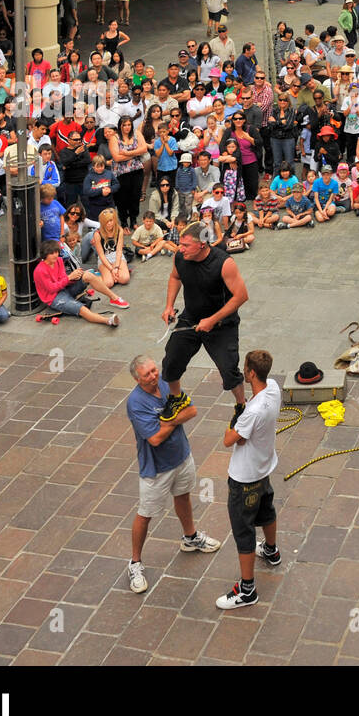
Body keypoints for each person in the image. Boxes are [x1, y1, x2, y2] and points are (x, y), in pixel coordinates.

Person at [124, 354, 222, 595]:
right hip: (156, 469)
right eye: (147, 374)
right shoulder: (136, 403)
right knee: (145, 514)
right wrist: (174, 419)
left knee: (183, 496)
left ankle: (190, 537)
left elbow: (192, 410)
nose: (154, 375)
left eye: (154, 370)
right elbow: (155, 439)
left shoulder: (167, 384)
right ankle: (135, 563)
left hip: (181, 456)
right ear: (137, 379)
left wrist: (166, 420)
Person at [159, 222, 251, 426]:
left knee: (229, 370)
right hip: (190, 318)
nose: (180, 249)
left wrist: (213, 320)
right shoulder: (180, 257)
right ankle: (176, 399)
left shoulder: (224, 263)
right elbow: (175, 277)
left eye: (185, 245)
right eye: (180, 244)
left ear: (202, 244)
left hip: (221, 324)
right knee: (171, 362)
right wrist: (169, 306)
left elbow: (241, 296)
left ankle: (242, 405)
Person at [216, 349, 281, 610]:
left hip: (244, 479)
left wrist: (233, 425)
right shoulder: (274, 388)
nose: (244, 370)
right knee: (267, 510)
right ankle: (272, 550)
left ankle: (247, 590)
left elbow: (229, 440)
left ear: (251, 372)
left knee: (243, 532)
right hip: (264, 469)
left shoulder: (251, 412)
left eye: (245, 367)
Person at [33, 240, 125, 326]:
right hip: (53, 298)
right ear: (45, 254)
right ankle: (108, 321)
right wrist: (69, 278)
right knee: (81, 309)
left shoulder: (59, 260)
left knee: (87, 275)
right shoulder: (40, 270)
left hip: (64, 289)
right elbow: (51, 289)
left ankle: (114, 298)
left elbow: (62, 279)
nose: (55, 255)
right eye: (52, 253)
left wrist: (75, 276)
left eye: (56, 252)